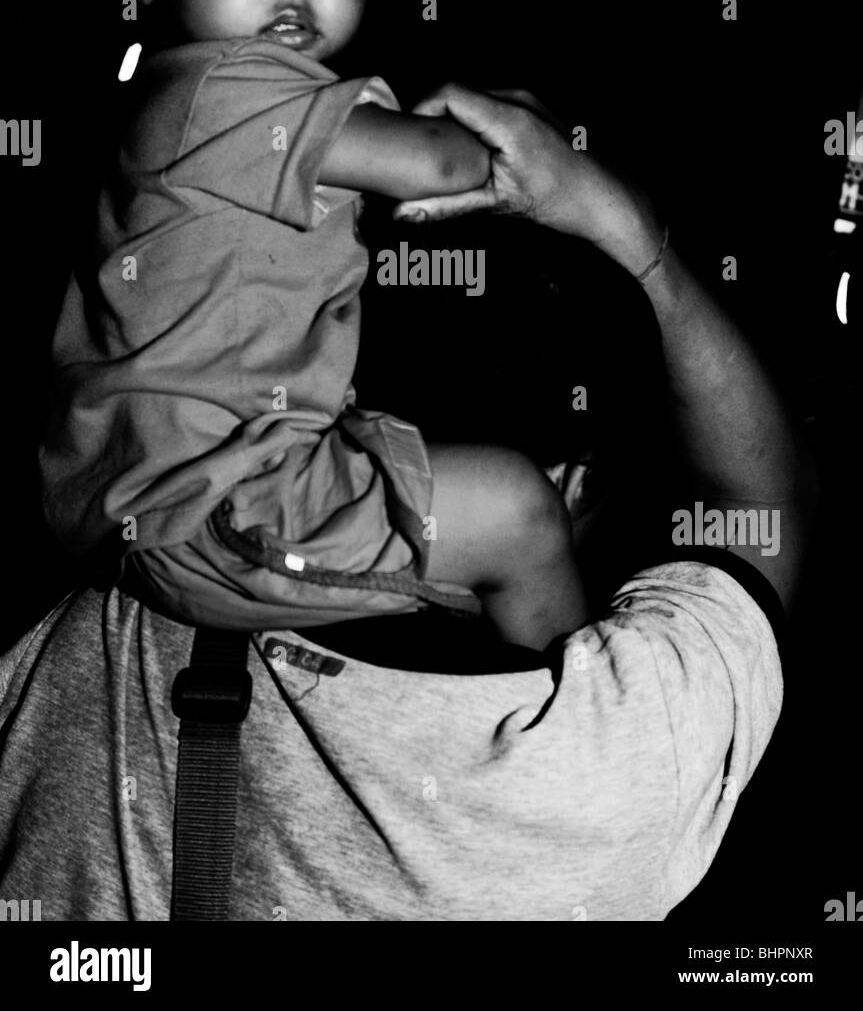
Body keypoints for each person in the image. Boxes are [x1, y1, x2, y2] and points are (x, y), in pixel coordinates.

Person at [0, 86, 816, 920]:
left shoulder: (103, 619)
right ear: (572, 482)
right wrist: (633, 238)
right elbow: (762, 504)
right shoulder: (624, 747)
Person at [38, 0, 588, 652]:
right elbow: (447, 165)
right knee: (517, 508)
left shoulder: (195, 96)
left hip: (196, 480)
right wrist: (519, 130)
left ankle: (496, 607)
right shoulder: (224, 89)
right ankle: (578, 720)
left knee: (498, 497)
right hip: (216, 503)